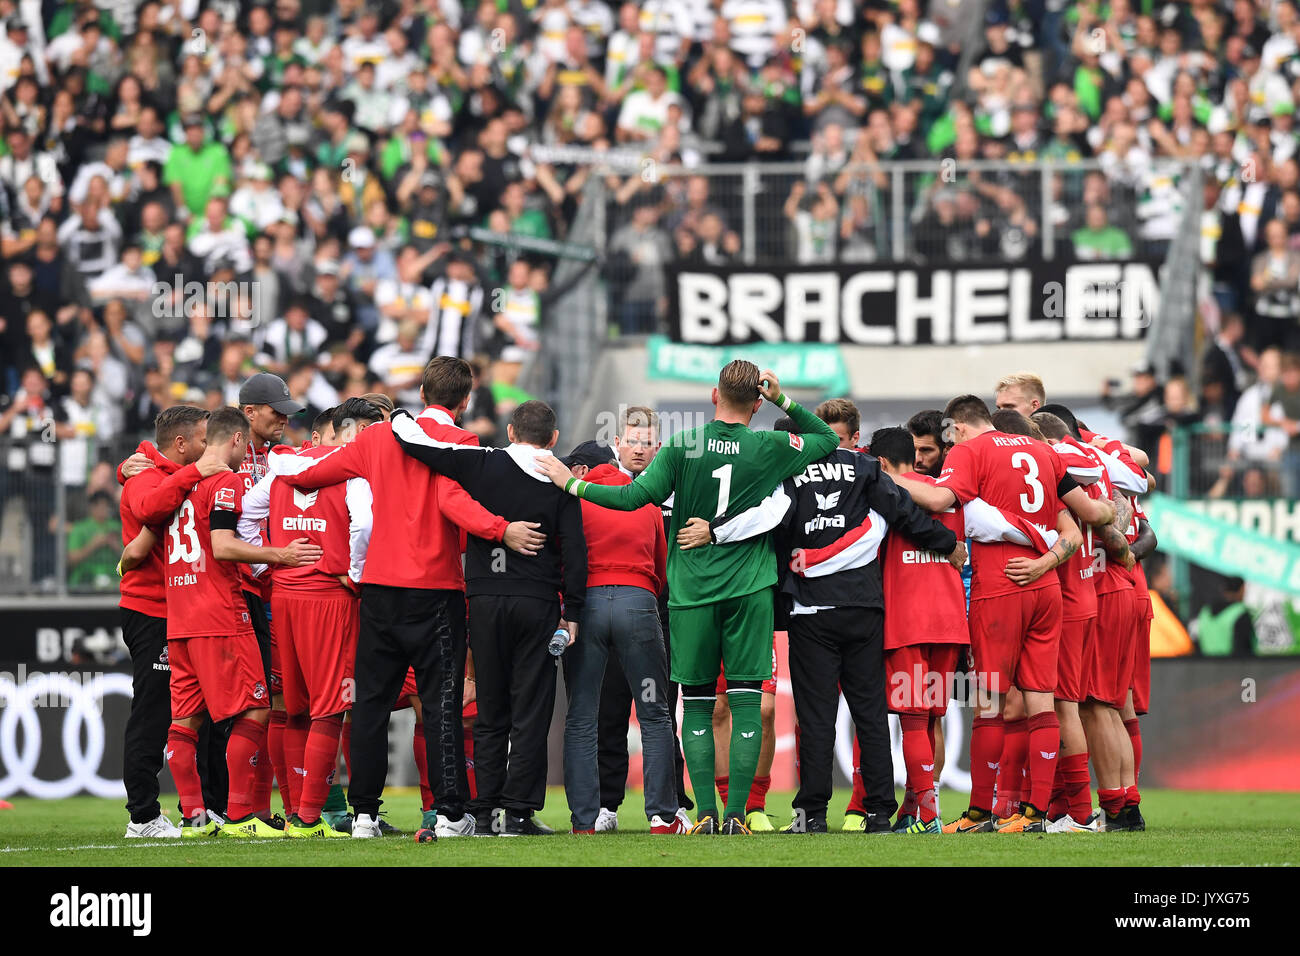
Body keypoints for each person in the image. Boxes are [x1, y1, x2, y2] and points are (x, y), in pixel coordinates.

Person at [536, 363, 840, 834]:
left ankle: (703, 816)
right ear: (757, 402)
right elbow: (826, 439)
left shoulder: (683, 444)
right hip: (750, 590)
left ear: (713, 395)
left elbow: (633, 499)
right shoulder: (771, 445)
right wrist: (785, 401)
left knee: (695, 705)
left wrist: (570, 483)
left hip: (691, 592)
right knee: (743, 702)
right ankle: (735, 812)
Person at [274, 357, 542, 839]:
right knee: (440, 704)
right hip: (434, 592)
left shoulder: (374, 439)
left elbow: (313, 474)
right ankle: (449, 812)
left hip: (378, 591)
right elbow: (450, 501)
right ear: (463, 402)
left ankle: (362, 816)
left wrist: (273, 457)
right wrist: (503, 531)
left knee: (371, 704)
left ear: (420, 392)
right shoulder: (459, 441)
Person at [688, 415, 964, 834]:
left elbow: (768, 524)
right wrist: (947, 544)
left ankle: (811, 815)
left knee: (818, 717)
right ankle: (877, 813)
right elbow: (903, 512)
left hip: (810, 611)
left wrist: (717, 533)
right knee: (869, 715)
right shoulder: (864, 466)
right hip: (864, 608)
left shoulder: (790, 470)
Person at [894, 395, 1110, 833]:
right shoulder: (1043, 451)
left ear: (956, 428)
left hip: (1001, 586)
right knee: (1041, 702)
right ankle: (1035, 816)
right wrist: (1052, 558)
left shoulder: (972, 451)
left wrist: (889, 476)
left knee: (989, 705)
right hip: (1046, 587)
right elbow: (1081, 517)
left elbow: (938, 500)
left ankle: (979, 814)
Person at [390, 400, 588, 836]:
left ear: (512, 431)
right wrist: (572, 611)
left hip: (482, 601)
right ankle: (518, 813)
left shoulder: (482, 462)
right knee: (531, 710)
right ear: (553, 439)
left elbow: (424, 448)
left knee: (490, 708)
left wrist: (401, 416)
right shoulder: (561, 478)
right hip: (536, 601)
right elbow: (575, 549)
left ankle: (482, 812)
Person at [161, 407, 321, 839]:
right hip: (219, 613)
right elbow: (224, 547)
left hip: (180, 615)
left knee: (186, 721)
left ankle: (194, 819)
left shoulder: (179, 482)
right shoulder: (225, 482)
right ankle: (238, 816)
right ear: (235, 440)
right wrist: (281, 554)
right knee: (257, 707)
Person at [238, 398, 383, 837]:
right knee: (330, 711)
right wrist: (354, 575)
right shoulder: (353, 473)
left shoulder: (283, 465)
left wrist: (267, 564)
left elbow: (244, 512)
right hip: (328, 599)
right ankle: (306, 819)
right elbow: (364, 528)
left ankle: (299, 811)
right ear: (350, 432)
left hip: (283, 596)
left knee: (292, 709)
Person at [556, 438, 686, 834]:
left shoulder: (576, 500)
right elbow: (662, 567)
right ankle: (663, 816)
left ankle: (584, 821)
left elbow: (566, 560)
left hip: (590, 608)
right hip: (638, 606)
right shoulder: (644, 499)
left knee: (581, 718)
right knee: (654, 714)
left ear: (583, 472)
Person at [117, 404, 223, 838]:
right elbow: (149, 508)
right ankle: (141, 816)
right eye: (202, 439)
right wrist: (194, 472)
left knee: (201, 713)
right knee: (154, 713)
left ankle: (200, 810)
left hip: (186, 610)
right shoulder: (143, 474)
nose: (208, 446)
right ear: (181, 443)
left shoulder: (158, 471)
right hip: (151, 611)